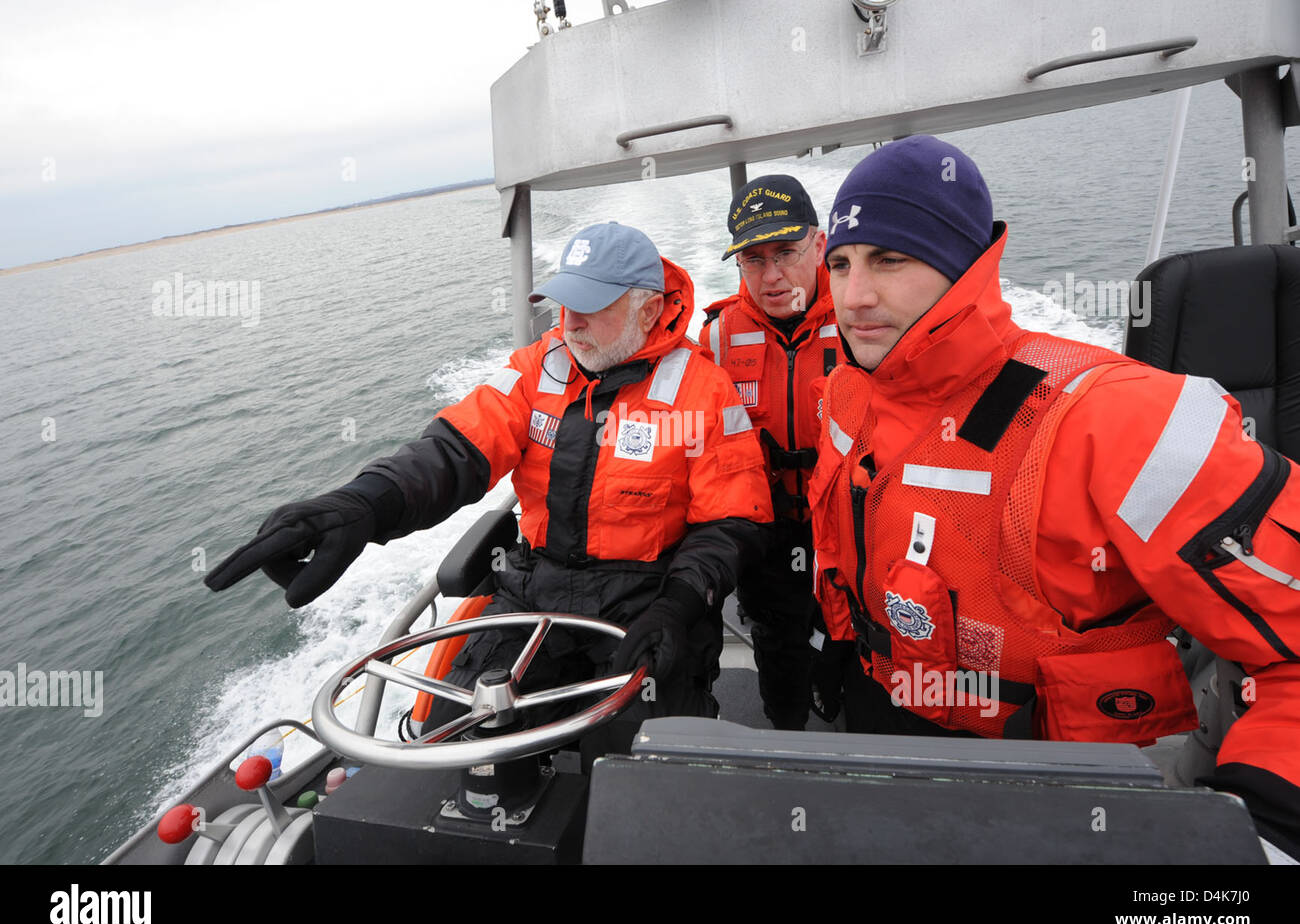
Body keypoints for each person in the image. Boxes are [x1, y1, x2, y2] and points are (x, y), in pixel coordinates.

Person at [810, 135, 1300, 855]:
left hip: (1075, 789)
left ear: (964, 266)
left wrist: (1268, 828)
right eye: (841, 264)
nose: (855, 297)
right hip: (892, 727)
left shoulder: (1115, 419)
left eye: (891, 259)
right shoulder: (848, 396)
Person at [205, 222, 772, 764]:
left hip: (649, 597)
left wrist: (680, 606)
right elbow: (455, 451)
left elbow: (733, 521)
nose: (569, 323)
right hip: (534, 592)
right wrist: (368, 502)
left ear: (648, 308)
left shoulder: (703, 390)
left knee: (643, 759)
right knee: (462, 733)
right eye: (563, 303)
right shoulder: (538, 370)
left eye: (590, 307)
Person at [698, 174, 848, 730]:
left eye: (787, 251)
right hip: (767, 533)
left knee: (860, 646)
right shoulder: (713, 339)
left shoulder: (865, 320)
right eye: (754, 259)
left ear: (820, 242)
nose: (773, 274)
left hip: (854, 528)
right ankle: (787, 737)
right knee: (778, 647)